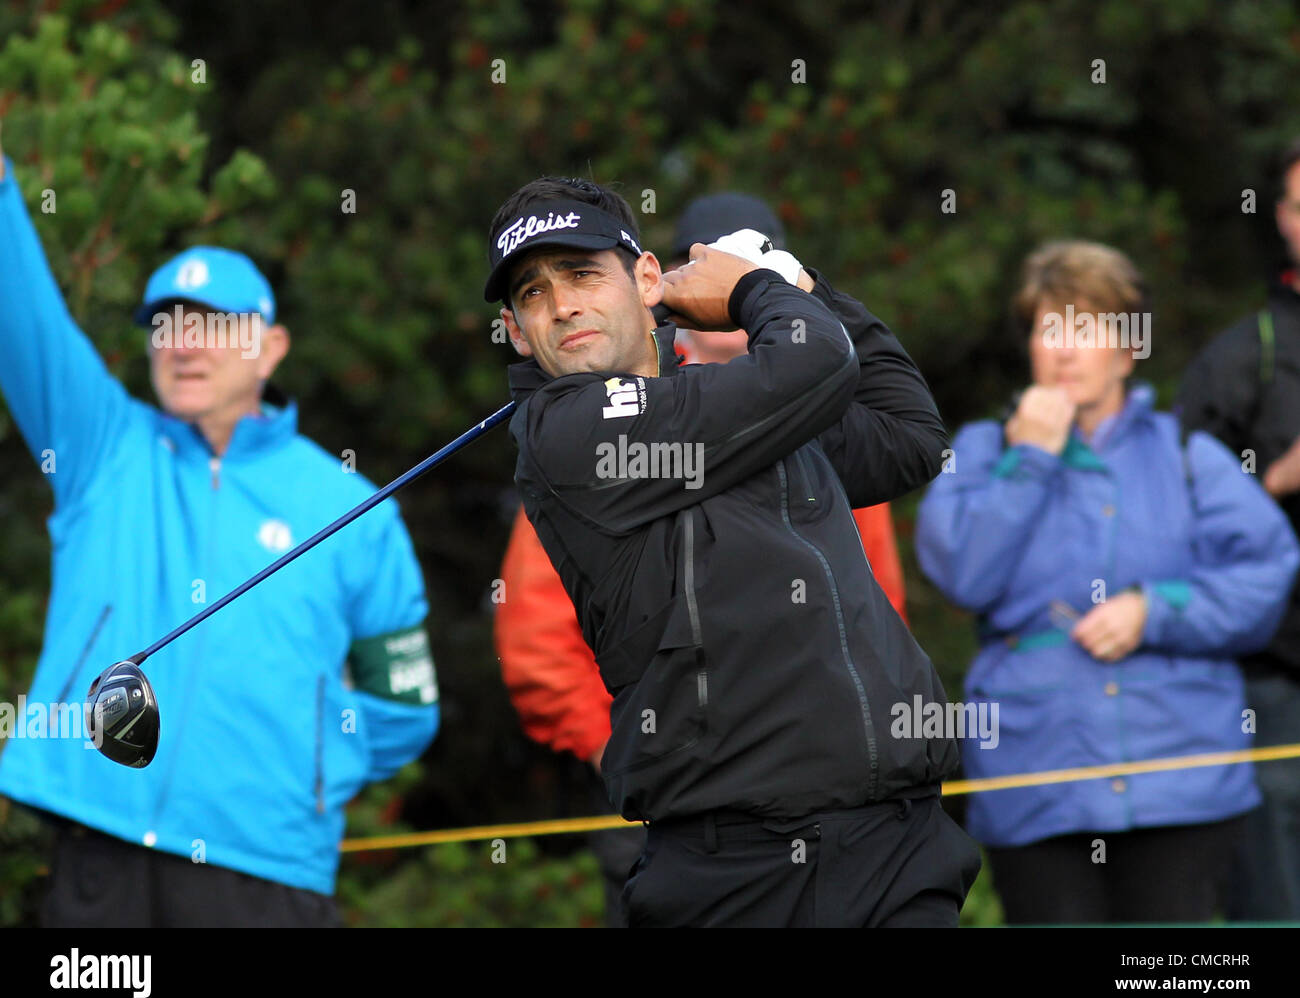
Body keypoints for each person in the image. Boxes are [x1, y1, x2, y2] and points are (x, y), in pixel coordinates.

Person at [485, 175, 980, 928]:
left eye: (583, 273)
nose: (562, 305)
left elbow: (908, 438)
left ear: (648, 280)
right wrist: (756, 290)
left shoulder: (742, 407)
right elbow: (810, 363)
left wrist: (805, 283)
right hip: (735, 871)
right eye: (532, 293)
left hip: (894, 844)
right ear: (518, 332)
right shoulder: (564, 431)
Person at [0, 139, 439, 927]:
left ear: (271, 347)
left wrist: (302, 769)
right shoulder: (101, 446)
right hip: (98, 855)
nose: (185, 343)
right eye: (165, 325)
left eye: (213, 325)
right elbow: (19, 314)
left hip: (266, 874)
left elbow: (403, 710)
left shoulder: (355, 508)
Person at [915, 240, 1299, 924]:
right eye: (1047, 329)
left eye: (1085, 328)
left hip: (1181, 784)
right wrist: (1029, 458)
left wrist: (1158, 611)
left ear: (1127, 350)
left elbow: (1267, 572)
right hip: (1038, 783)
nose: (1063, 350)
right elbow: (963, 574)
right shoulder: (980, 453)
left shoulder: (1189, 456)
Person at [1179, 137, 1300, 920]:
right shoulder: (1241, 358)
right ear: (1281, 221)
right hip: (1275, 685)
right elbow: (1171, 527)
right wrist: (1279, 480)